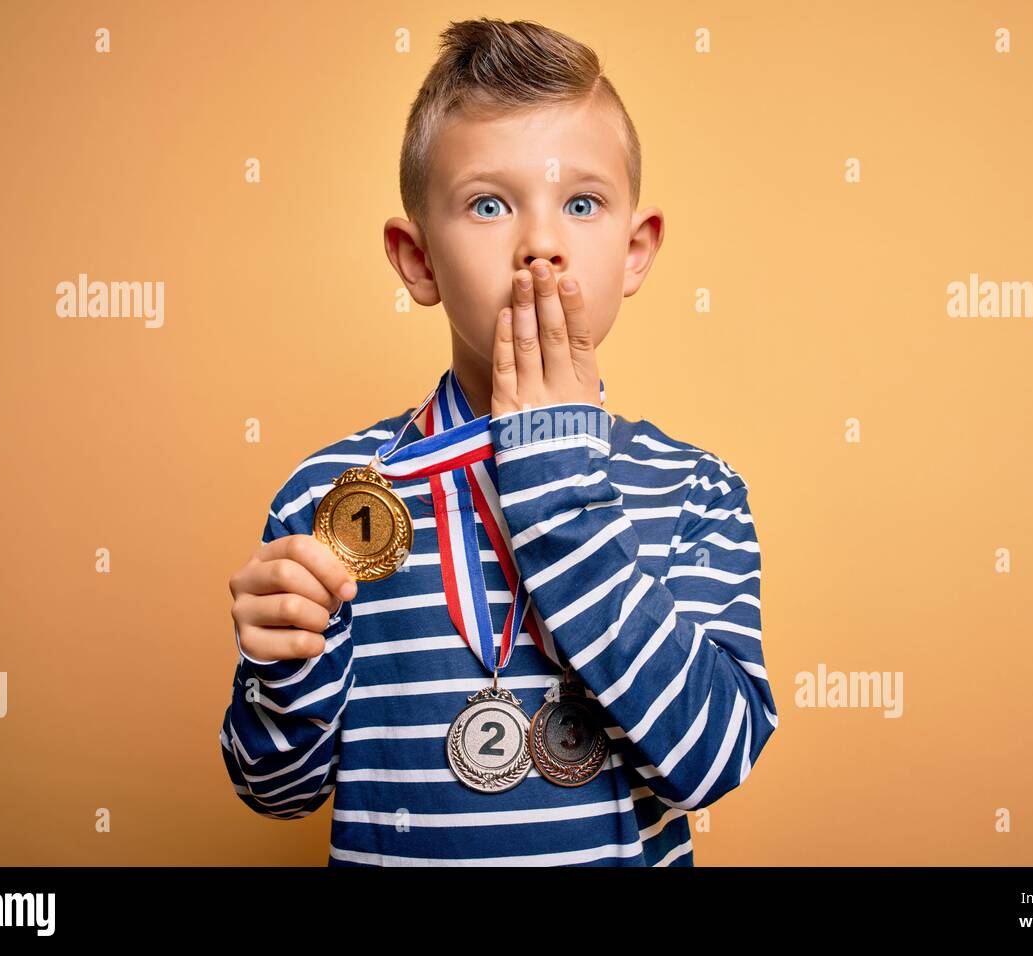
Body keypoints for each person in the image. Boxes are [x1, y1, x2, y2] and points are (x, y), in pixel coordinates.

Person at [220, 17, 778, 866]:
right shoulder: (334, 497)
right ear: (418, 262)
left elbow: (713, 759)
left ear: (635, 250)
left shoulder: (696, 488)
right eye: (489, 204)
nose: (542, 246)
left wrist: (559, 487)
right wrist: (283, 662)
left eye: (581, 203)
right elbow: (278, 791)